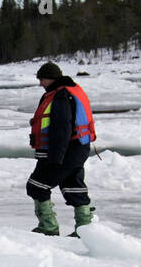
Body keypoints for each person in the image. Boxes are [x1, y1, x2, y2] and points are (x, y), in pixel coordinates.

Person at [27, 61, 97, 236]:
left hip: (65, 151)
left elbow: (62, 128)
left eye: (41, 79)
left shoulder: (60, 96)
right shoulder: (68, 91)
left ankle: (48, 226)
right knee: (73, 186)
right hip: (78, 149)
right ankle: (85, 229)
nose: (40, 83)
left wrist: (55, 159)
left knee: (36, 186)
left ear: (50, 78)